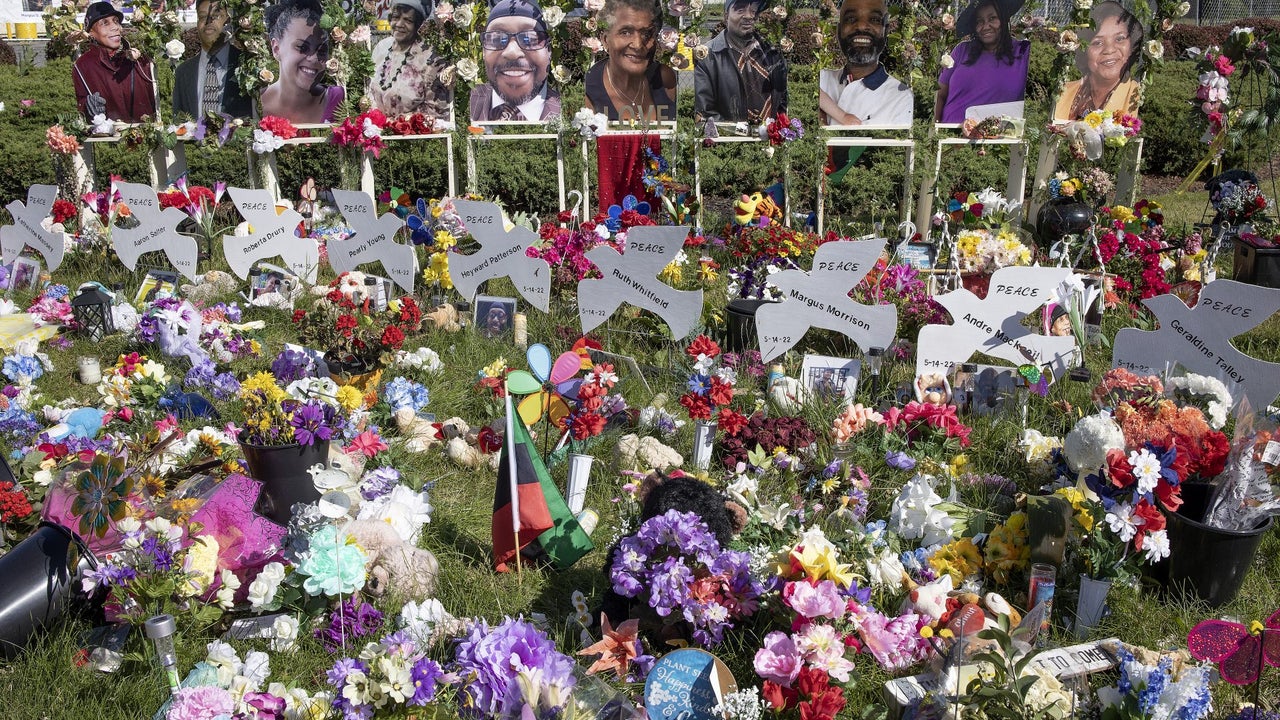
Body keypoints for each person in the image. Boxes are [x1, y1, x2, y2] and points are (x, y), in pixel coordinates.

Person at [818, 0, 912, 127]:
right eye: (851, 18)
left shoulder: (900, 97)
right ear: (838, 31)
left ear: (886, 32)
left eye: (874, 19)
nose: (861, 26)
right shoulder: (821, 79)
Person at [934, 0, 1029, 123]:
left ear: (1004, 18)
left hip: (997, 137)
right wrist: (935, 132)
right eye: (979, 21)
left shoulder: (1022, 52)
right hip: (950, 133)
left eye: (992, 18)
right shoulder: (961, 50)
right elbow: (940, 94)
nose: (985, 26)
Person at [693, 0, 786, 124]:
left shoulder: (772, 54)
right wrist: (741, 135)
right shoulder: (708, 57)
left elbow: (782, 102)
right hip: (729, 141)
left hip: (771, 140)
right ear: (726, 16)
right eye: (740, 10)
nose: (748, 16)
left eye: (753, 10)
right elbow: (705, 113)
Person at [584, 0, 676, 123]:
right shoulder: (590, 89)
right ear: (606, 40)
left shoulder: (665, 80)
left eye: (646, 33)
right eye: (625, 32)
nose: (638, 45)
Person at [470, 0, 560, 122]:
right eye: (497, 39)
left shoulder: (569, 110)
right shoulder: (462, 106)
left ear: (549, 50)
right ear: (483, 52)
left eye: (529, 39)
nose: (512, 52)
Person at [1053, 0, 1142, 122]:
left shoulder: (1136, 94)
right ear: (1084, 51)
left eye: (1119, 39)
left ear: (1131, 46)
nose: (1109, 50)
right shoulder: (1064, 92)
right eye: (1097, 42)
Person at [260, 0, 345, 124]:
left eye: (322, 50)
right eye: (302, 48)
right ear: (276, 49)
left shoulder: (338, 99)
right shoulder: (255, 103)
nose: (313, 58)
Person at [72, 1, 158, 123]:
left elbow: (157, 101)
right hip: (107, 140)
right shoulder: (82, 65)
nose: (115, 27)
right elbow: (81, 104)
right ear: (91, 32)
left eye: (116, 21)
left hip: (145, 137)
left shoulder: (140, 58)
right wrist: (87, 106)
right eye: (104, 23)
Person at [368, 0, 453, 119]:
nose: (399, 24)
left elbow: (436, 111)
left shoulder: (431, 58)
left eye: (408, 20)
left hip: (413, 134)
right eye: (396, 17)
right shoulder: (381, 48)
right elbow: (369, 93)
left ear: (418, 24)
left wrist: (397, 125)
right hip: (376, 132)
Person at [172, 0, 253, 119]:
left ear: (229, 21)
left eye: (216, 15)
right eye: (202, 16)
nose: (208, 21)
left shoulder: (247, 67)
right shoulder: (183, 72)